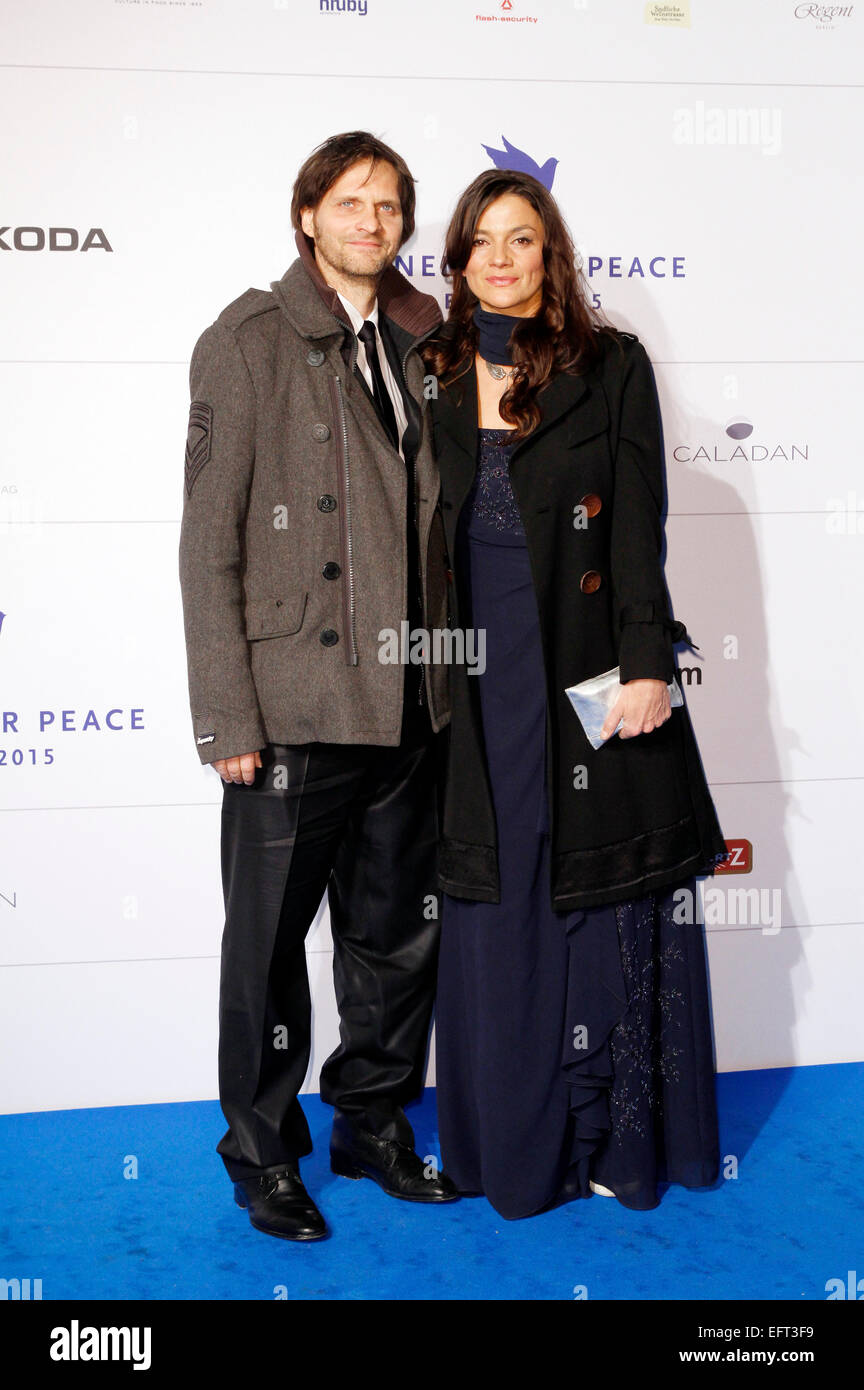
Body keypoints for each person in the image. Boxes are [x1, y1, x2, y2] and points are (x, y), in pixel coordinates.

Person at [422, 169, 729, 1220]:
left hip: (587, 661)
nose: (501, 259)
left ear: (552, 254)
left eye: (523, 239)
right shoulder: (429, 370)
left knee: (598, 889)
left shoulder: (611, 365)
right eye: (482, 242)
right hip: (470, 677)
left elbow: (639, 522)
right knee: (497, 893)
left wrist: (649, 659)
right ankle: (512, 1141)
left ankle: (607, 1134)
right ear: (457, 262)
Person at [179, 131, 460, 1242]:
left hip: (409, 698)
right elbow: (209, 546)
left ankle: (372, 1123)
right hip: (292, 701)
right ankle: (259, 1147)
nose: (373, 224)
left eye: (390, 206)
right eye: (351, 204)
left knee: (393, 938)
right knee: (268, 947)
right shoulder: (247, 340)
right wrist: (227, 717)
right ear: (309, 217)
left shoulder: (425, 335)